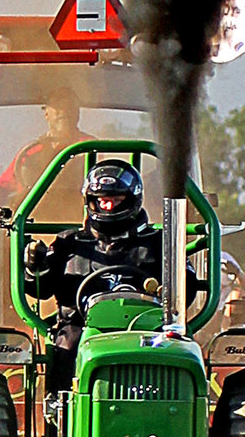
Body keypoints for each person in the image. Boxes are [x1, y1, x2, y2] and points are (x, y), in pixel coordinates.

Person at [25, 159, 197, 393]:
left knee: (173, 347)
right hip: (81, 327)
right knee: (67, 345)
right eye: (101, 200)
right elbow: (40, 289)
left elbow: (187, 290)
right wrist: (35, 266)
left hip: (147, 328)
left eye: (116, 199)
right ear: (90, 200)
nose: (107, 206)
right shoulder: (69, 242)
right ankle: (61, 409)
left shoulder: (159, 242)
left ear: (132, 199)